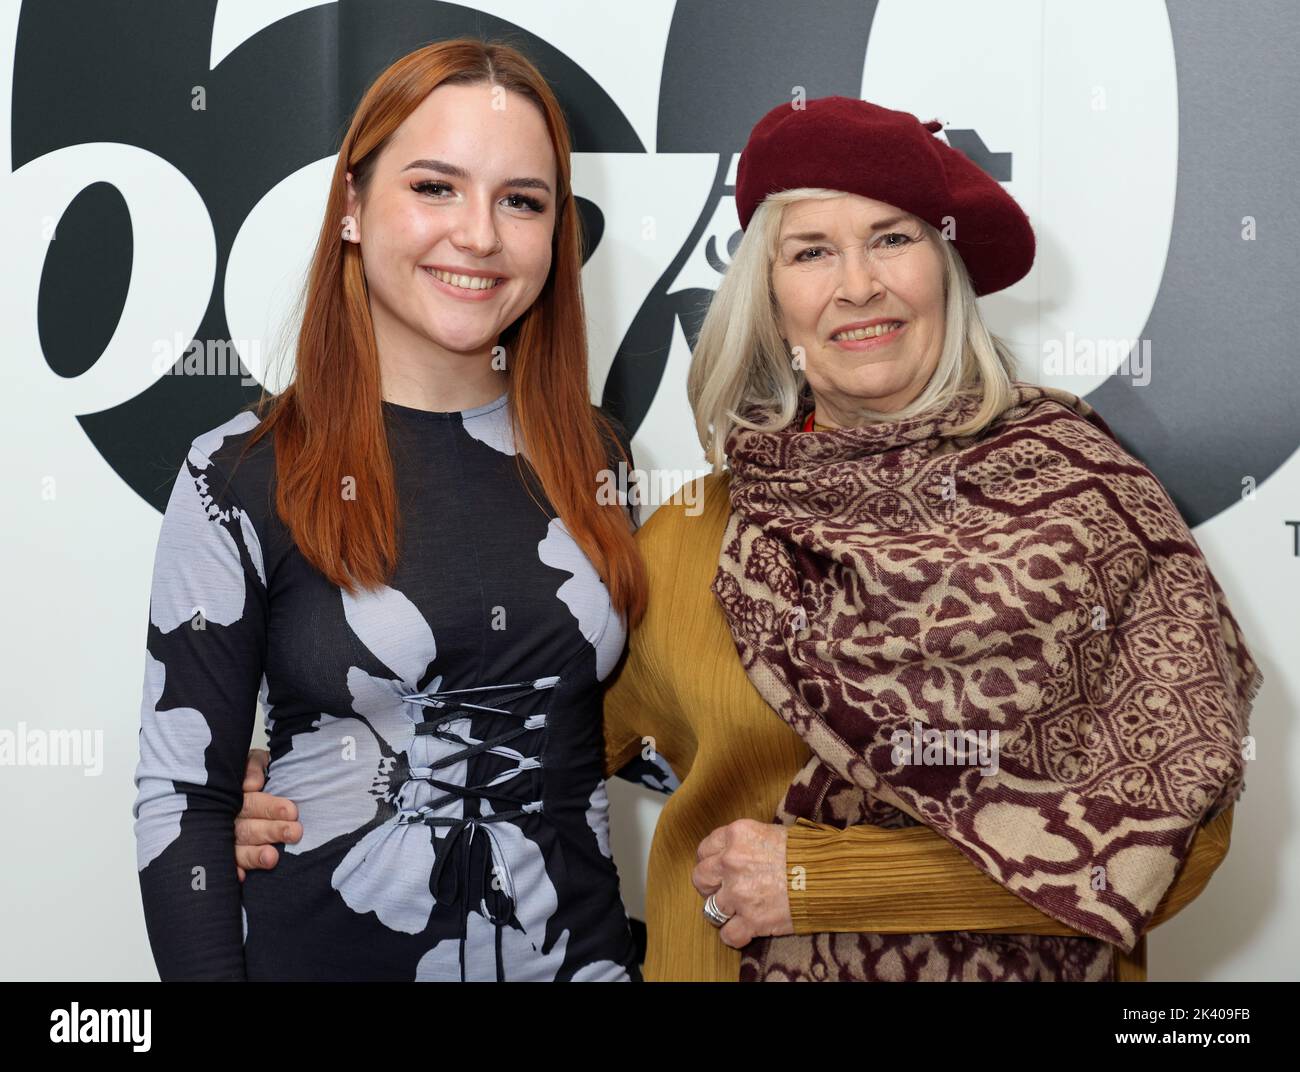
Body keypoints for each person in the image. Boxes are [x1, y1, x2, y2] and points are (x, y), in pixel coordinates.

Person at [236, 97, 1255, 982]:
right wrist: (314, 790)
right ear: (768, 301)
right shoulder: (693, 535)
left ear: (945, 267)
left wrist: (825, 883)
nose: (857, 286)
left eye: (893, 238)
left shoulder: (1086, 502)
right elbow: (538, 752)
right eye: (810, 252)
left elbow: (1182, 839)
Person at [131, 38, 648, 981]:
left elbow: (631, 730)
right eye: (436, 187)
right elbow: (181, 801)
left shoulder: (599, 455)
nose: (480, 236)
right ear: (352, 210)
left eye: (521, 201)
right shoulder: (238, 473)